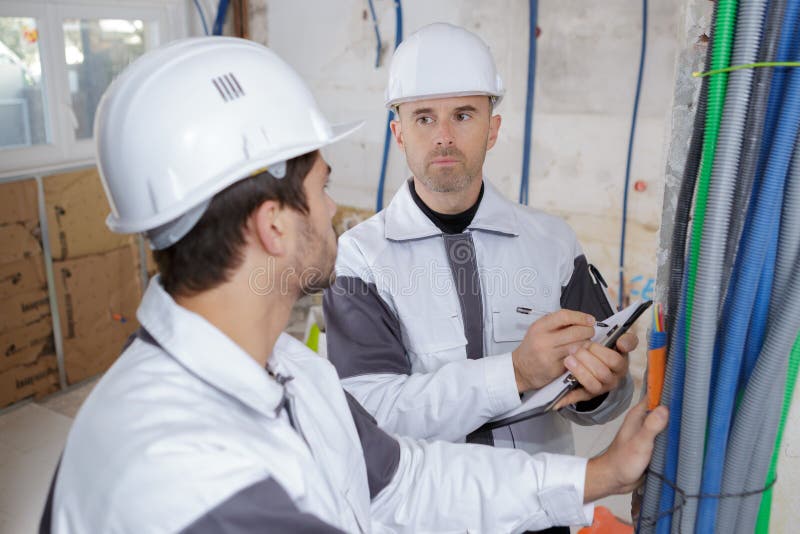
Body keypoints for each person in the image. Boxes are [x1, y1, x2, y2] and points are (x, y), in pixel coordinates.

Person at [41, 37, 667, 533]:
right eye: (322, 187)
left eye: (464, 114)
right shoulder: (182, 473)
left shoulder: (293, 372)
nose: (336, 209)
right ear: (274, 227)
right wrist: (517, 376)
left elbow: (402, 481)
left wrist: (599, 474)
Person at [324, 21, 634, 486]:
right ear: (399, 132)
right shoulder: (359, 260)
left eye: (464, 115)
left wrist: (600, 388)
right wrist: (515, 372)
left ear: (493, 129)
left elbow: (604, 398)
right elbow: (369, 414)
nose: (444, 136)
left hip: (541, 506)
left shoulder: (552, 243)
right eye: (424, 117)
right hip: (426, 515)